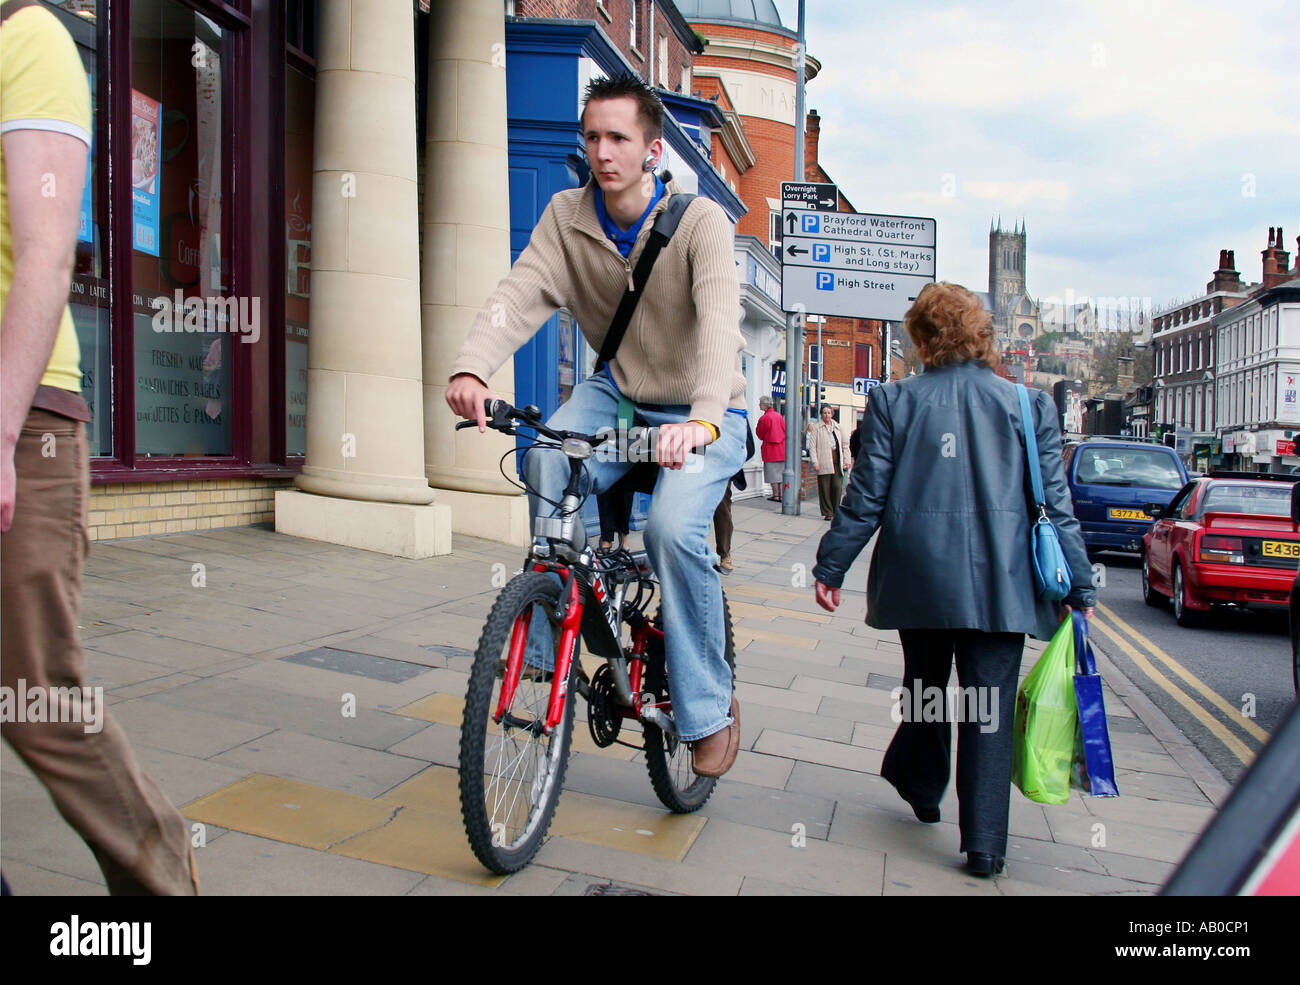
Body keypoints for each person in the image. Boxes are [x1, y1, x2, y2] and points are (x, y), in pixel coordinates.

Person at [445, 75, 747, 777]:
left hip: (704, 405)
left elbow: (719, 329)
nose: (603, 152)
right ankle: (549, 639)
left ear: (651, 148)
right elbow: (518, 293)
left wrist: (701, 421)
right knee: (544, 459)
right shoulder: (565, 215)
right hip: (617, 394)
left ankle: (708, 709)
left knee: (672, 529)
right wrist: (472, 368)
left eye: (618, 138)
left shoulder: (699, 222)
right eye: (593, 138)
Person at [0, 0, 197, 894]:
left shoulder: (25, 35)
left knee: (38, 697)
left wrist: (2, 433)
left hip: (26, 418)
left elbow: (45, 255)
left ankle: (161, 884)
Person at [811, 281, 1095, 877]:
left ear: (920, 339)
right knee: (987, 709)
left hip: (920, 578)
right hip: (1005, 584)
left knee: (927, 687)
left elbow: (867, 496)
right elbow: (1057, 506)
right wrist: (1080, 588)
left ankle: (920, 782)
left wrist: (832, 564)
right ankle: (985, 844)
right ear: (981, 333)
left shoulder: (895, 401)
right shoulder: (1028, 405)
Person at [809, 404, 851, 520]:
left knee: (837, 487)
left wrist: (847, 460)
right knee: (825, 487)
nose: (827, 415)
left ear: (832, 414)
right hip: (823, 460)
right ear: (821, 414)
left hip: (837, 459)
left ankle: (836, 510)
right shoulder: (817, 428)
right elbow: (812, 447)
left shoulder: (838, 427)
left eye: (829, 413)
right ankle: (828, 512)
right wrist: (815, 462)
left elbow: (845, 445)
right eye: (824, 413)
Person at [755, 395, 786, 502]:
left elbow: (760, 434)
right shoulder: (779, 416)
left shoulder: (764, 418)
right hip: (781, 449)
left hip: (770, 449)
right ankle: (781, 495)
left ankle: (776, 495)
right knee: (780, 474)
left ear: (764, 405)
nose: (759, 405)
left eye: (760, 404)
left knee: (772, 474)